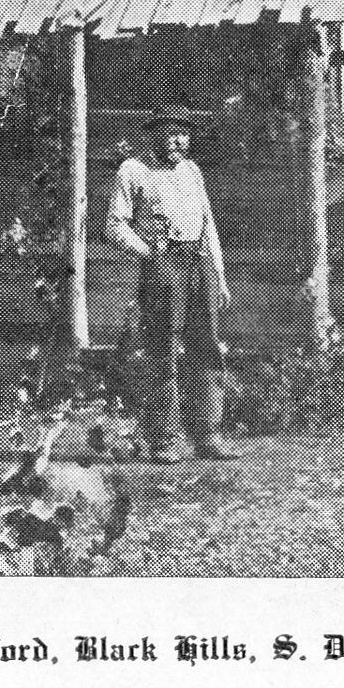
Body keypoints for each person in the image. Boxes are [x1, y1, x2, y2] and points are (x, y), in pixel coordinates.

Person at [106, 104, 243, 463]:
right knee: (162, 350)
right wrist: (147, 252)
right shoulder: (133, 170)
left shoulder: (192, 171)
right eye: (170, 133)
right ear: (154, 135)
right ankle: (164, 440)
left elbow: (208, 223)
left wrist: (221, 276)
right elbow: (114, 225)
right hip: (162, 267)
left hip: (198, 265)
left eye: (183, 134)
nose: (178, 140)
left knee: (206, 346)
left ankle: (207, 436)